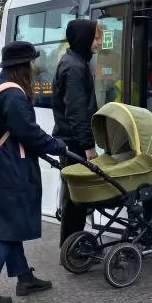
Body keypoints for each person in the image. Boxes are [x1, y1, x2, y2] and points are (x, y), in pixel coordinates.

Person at [0, 41, 67, 303]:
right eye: (32, 63)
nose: (34, 68)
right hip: (10, 170)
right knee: (4, 231)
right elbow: (29, 133)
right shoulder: (13, 94)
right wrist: (59, 146)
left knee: (9, 225)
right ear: (22, 66)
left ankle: (24, 278)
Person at [51, 18, 102, 245]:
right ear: (85, 38)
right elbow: (77, 112)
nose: (99, 43)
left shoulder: (74, 62)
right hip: (74, 142)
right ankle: (73, 246)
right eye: (96, 37)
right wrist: (89, 147)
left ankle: (71, 245)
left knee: (74, 196)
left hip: (70, 140)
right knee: (76, 198)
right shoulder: (74, 67)